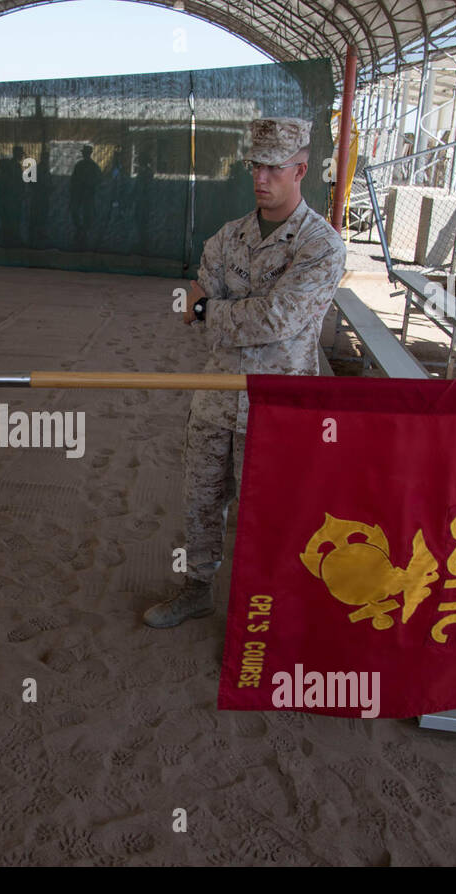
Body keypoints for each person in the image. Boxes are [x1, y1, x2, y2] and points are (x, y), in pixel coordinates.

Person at [144, 117, 346, 628]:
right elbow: (187, 308)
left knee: (271, 514)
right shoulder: (228, 237)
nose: (261, 178)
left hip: (278, 405)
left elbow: (279, 320)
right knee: (201, 501)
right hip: (215, 395)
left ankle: (265, 608)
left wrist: (215, 310)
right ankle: (196, 590)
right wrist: (212, 309)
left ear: (300, 170)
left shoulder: (321, 246)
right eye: (255, 166)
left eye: (274, 168)